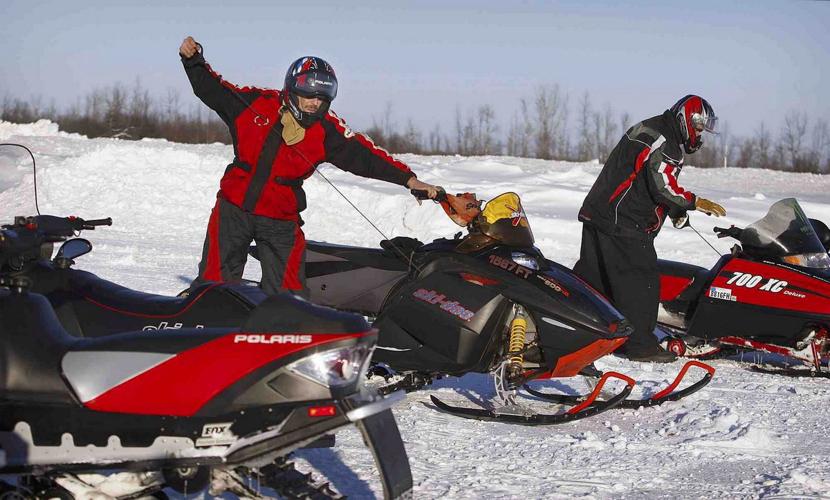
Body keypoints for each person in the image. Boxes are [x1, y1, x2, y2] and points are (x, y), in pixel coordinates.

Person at [178, 36, 440, 296]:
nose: (315, 102)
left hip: (280, 219)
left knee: (289, 296)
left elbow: (366, 156)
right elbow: (214, 90)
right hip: (232, 211)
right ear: (293, 87)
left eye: (322, 97)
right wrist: (193, 61)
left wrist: (409, 180)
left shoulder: (326, 128)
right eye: (309, 94)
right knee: (214, 286)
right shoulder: (257, 103)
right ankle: (201, 326)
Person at [574, 95, 726, 362]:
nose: (700, 136)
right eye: (699, 129)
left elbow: (642, 176)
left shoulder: (650, 127)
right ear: (687, 121)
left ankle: (580, 332)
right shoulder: (668, 144)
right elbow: (661, 182)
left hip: (599, 213)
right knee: (641, 284)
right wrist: (692, 202)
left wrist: (675, 209)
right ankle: (641, 345)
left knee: (593, 279)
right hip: (624, 224)